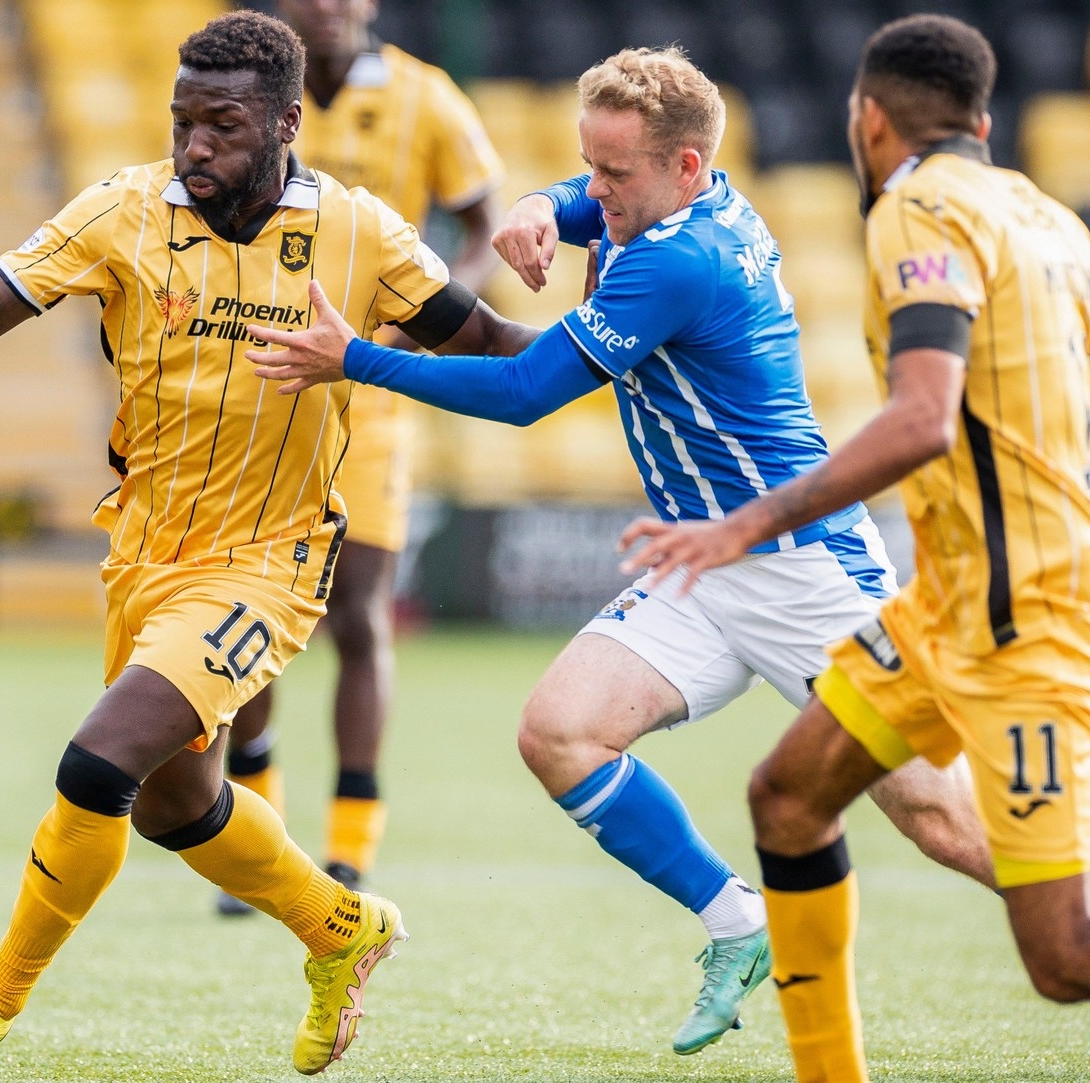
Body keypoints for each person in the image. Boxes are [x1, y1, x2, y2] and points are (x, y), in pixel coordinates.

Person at [0, 13, 540, 1081]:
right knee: (177, 804)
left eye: (222, 125)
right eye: (182, 122)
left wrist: (629, 348)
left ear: (288, 123)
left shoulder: (363, 237)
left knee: (97, 763)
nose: (194, 147)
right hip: (147, 555)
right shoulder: (123, 212)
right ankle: (342, 930)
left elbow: (500, 358)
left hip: (270, 560)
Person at [247, 45, 1009, 1057]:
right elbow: (587, 197)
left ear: (684, 168)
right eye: (588, 167)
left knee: (938, 818)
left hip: (805, 571)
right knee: (560, 731)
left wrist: (356, 359)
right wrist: (538, 206)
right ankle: (739, 923)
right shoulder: (705, 200)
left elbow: (524, 395)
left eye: (613, 175)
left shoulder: (673, 262)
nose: (596, 191)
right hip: (703, 565)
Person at [613, 17, 1090, 1083]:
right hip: (951, 602)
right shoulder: (1037, 213)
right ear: (982, 117)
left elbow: (923, 418)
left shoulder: (913, 209)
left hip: (1034, 613)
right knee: (788, 798)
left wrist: (743, 524)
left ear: (867, 119)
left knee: (1064, 960)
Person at [213, 0, 506, 912]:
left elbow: (485, 225)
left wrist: (438, 316)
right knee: (241, 615)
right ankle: (256, 843)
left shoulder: (427, 97)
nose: (326, 6)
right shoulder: (250, 98)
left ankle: (348, 852)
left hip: (372, 396)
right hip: (262, 388)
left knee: (360, 616)